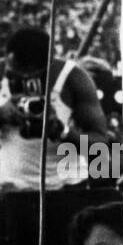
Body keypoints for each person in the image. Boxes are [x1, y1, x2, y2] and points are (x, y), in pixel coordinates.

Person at [0, 26, 111, 190]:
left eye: (29, 77)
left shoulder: (73, 78)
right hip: (10, 185)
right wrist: (3, 114)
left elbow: (100, 143)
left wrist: (61, 131)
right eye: (12, 75)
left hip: (64, 187)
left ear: (47, 67)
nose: (21, 84)